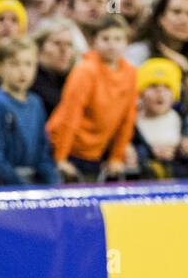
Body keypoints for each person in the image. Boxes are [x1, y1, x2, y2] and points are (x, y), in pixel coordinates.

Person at [47, 14, 137, 180]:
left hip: (98, 152)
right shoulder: (85, 70)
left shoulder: (131, 73)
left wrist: (116, 157)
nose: (112, 45)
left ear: (127, 42)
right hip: (69, 149)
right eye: (105, 38)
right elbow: (70, 113)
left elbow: (128, 117)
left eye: (118, 39)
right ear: (94, 41)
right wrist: (60, 157)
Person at [0, 35, 59, 185]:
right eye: (14, 64)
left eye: (28, 64)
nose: (22, 71)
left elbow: (43, 148)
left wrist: (51, 180)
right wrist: (19, 185)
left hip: (32, 185)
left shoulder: (36, 103)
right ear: (0, 67)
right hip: (3, 188)